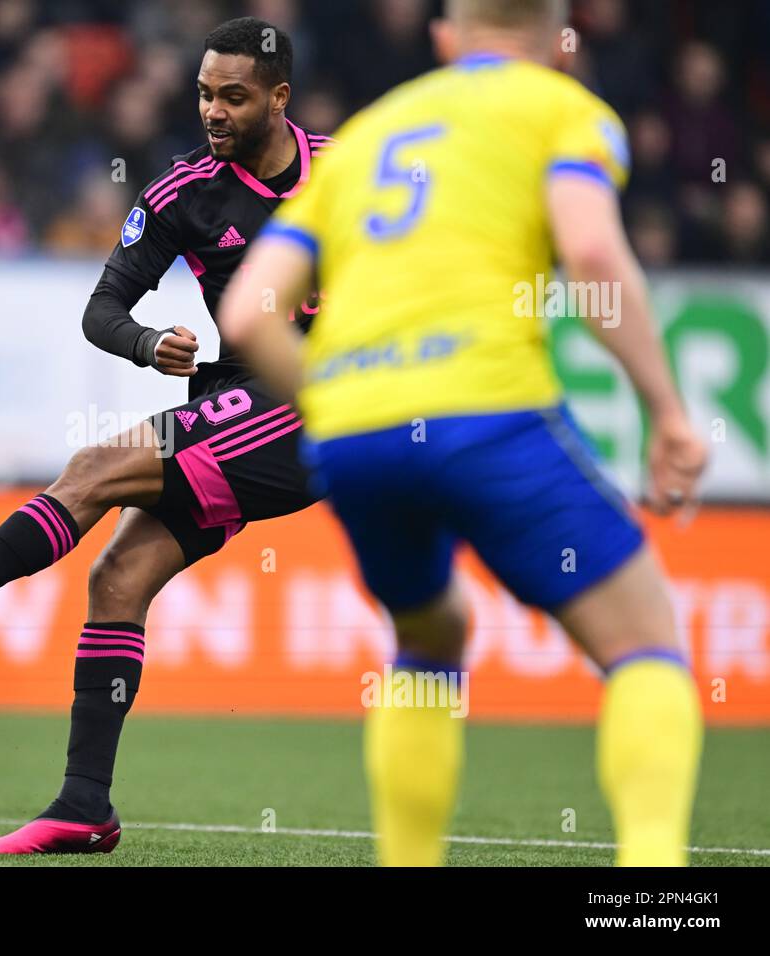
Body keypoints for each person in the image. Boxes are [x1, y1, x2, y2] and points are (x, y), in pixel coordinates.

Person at [0, 16, 331, 855]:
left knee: (93, 466)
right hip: (255, 406)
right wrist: (148, 343)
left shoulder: (347, 176)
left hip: (329, 407)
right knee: (118, 579)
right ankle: (85, 805)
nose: (213, 112)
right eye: (202, 94)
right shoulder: (184, 195)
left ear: (279, 98)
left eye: (233, 96)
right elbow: (101, 310)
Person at [218, 0, 707, 866]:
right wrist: (667, 411)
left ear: (446, 41)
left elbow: (248, 313)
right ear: (561, 45)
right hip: (486, 408)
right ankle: (654, 893)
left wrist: (333, 411)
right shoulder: (563, 109)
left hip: (360, 434)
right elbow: (592, 255)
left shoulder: (366, 134)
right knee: (644, 642)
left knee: (430, 633)